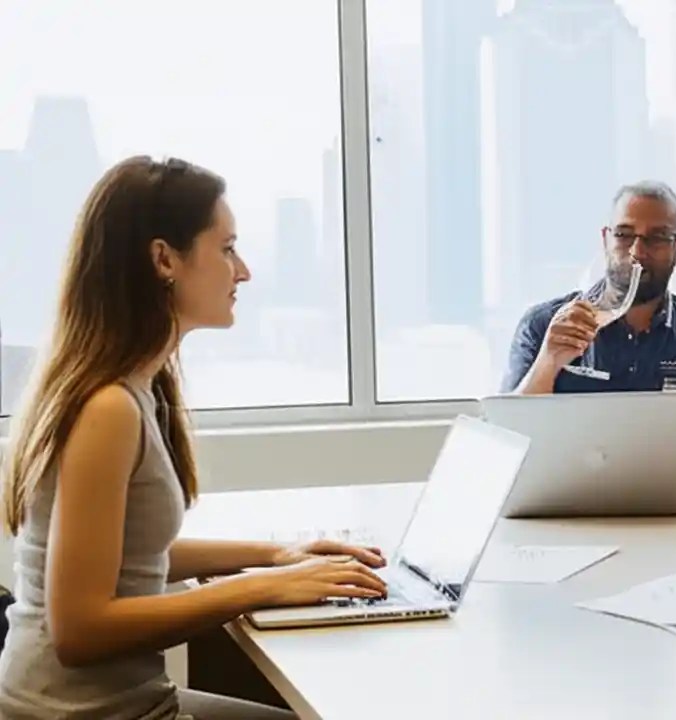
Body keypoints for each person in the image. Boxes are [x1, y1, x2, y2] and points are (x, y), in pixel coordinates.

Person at [0, 156, 389, 719]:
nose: (245, 271)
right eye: (227, 248)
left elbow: (131, 555)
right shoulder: (107, 407)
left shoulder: (136, 386)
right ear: (164, 259)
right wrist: (264, 588)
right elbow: (79, 630)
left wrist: (276, 556)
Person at [500, 181, 676, 487]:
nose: (637, 252)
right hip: (561, 504)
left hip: (670, 510)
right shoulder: (543, 324)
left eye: (657, 238)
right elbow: (508, 441)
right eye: (624, 235)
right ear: (606, 240)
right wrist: (548, 362)